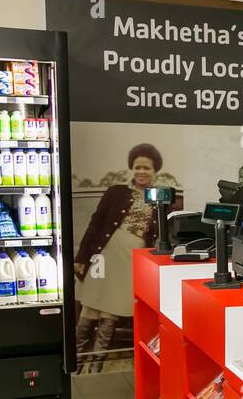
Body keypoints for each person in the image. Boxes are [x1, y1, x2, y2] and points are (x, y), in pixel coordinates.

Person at [73, 143, 176, 372]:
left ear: (155, 171)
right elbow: (95, 224)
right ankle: (77, 361)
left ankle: (97, 364)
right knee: (91, 304)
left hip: (132, 260)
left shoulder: (161, 198)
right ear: (131, 168)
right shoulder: (116, 192)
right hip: (104, 256)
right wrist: (82, 256)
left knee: (113, 308)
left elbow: (165, 232)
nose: (141, 172)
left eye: (146, 168)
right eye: (137, 167)